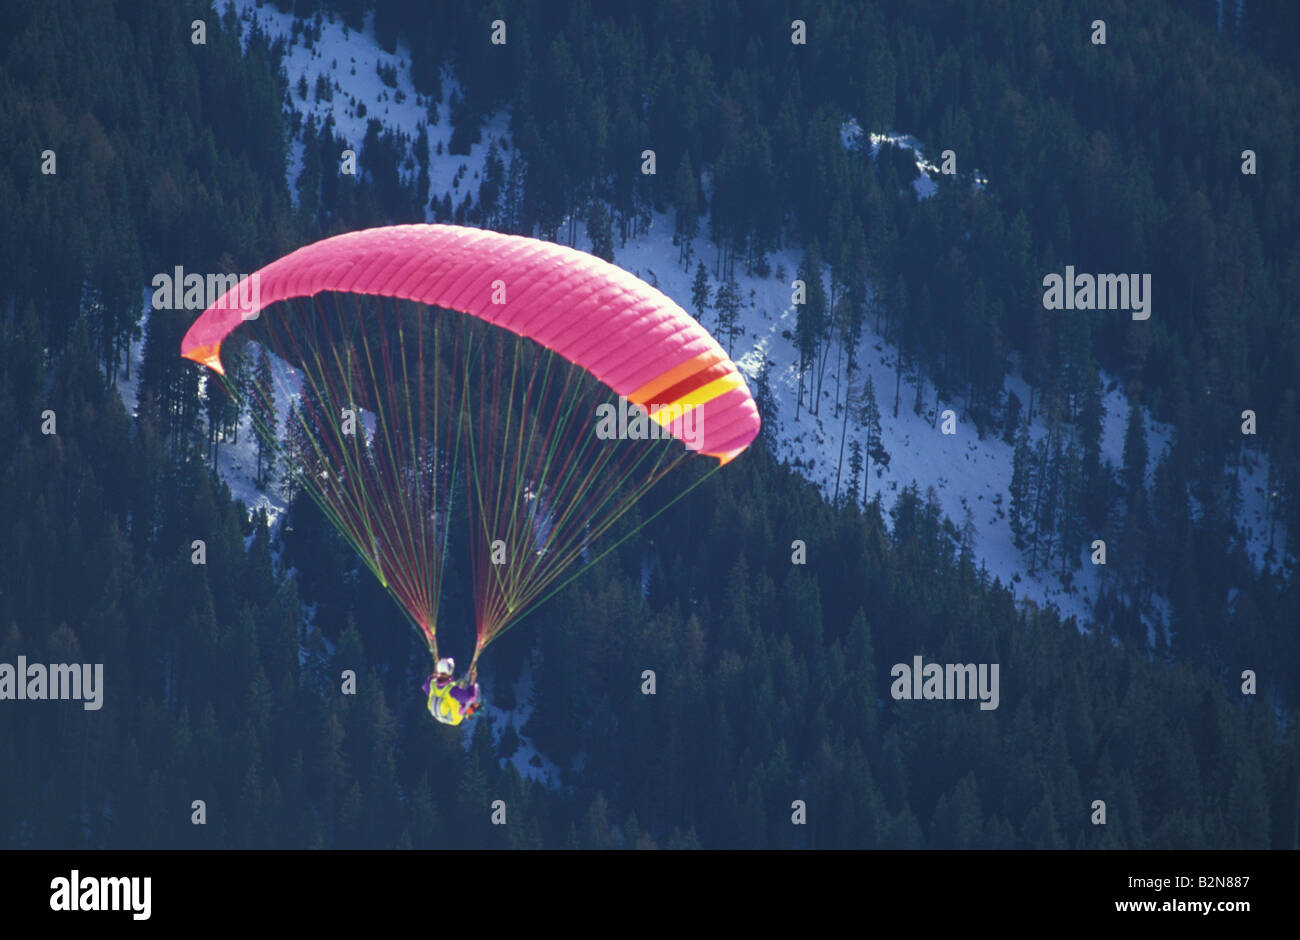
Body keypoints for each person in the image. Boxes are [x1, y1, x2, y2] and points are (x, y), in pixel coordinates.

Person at [422, 657, 481, 726]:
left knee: (459, 690)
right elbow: (471, 697)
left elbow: (425, 687)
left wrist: (434, 675)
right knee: (476, 696)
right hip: (454, 719)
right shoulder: (453, 690)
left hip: (438, 717)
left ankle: (465, 709)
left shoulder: (431, 683)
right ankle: (469, 715)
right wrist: (472, 682)